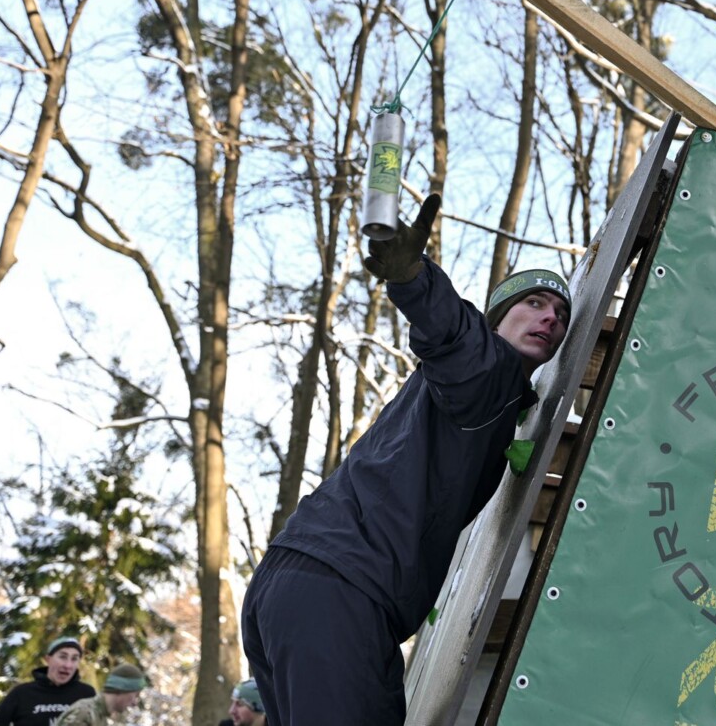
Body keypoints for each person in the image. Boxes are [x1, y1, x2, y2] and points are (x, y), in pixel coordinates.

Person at [241, 194, 571, 725]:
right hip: (342, 589)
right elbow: (452, 332)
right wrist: (413, 277)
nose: (550, 318)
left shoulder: (484, 399)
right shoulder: (485, 370)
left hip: (309, 586)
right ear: (496, 319)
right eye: (533, 304)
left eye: (559, 315)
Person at [0, 637, 95, 726]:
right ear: (48, 659)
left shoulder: (87, 694)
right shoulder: (22, 693)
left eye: (74, 659)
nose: (68, 665)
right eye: (63, 657)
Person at [53, 664, 145, 726]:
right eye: (135, 695)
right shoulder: (84, 713)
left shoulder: (100, 717)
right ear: (121, 689)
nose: (134, 703)